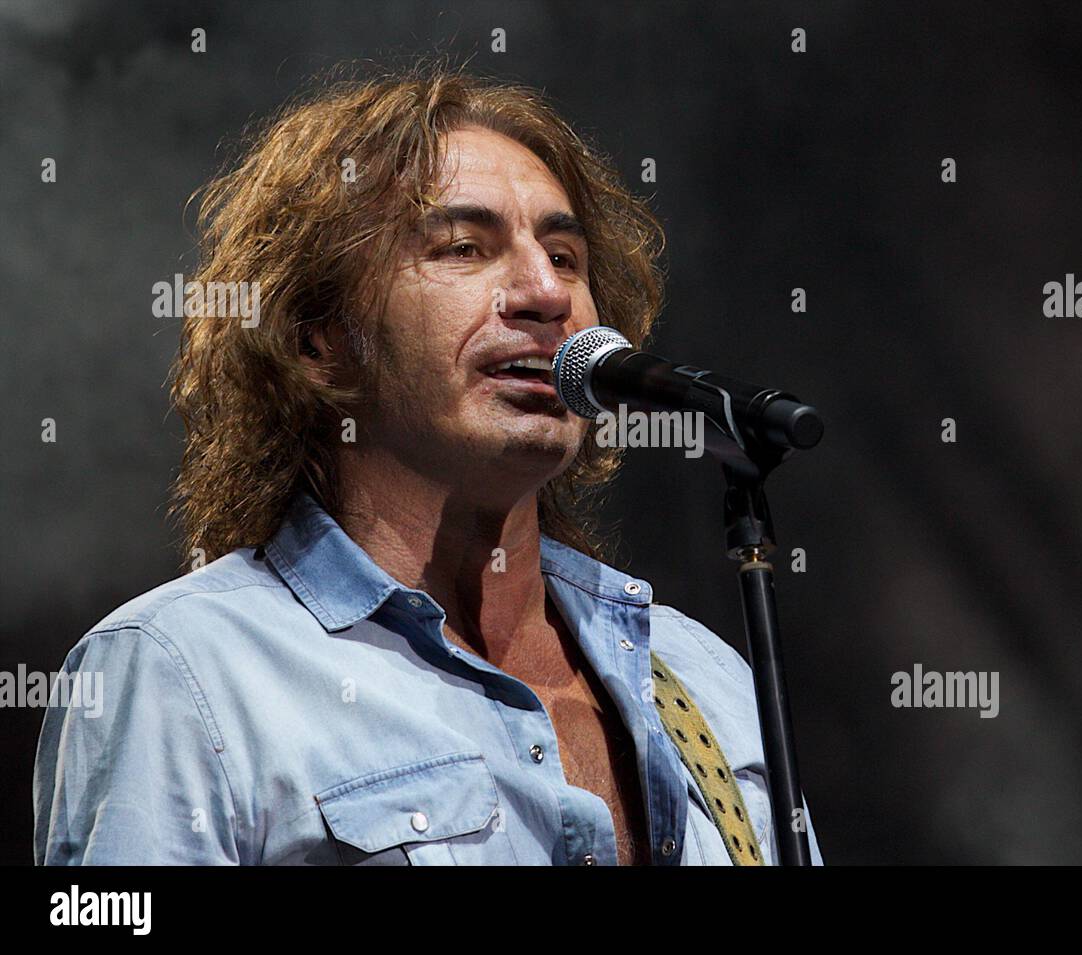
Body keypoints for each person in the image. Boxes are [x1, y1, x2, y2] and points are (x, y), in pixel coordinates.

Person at [33, 64, 823, 866]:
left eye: (566, 256)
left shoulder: (704, 681)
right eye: (464, 247)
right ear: (320, 336)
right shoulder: (183, 671)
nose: (545, 292)